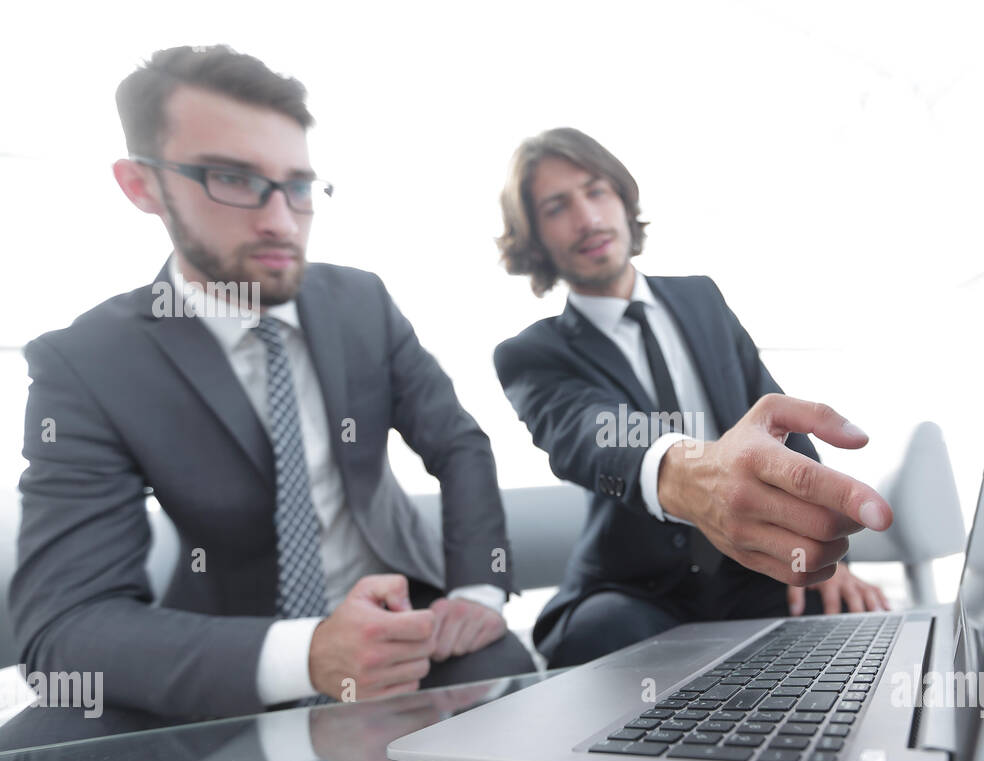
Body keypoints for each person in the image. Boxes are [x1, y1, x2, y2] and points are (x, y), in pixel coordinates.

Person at [9, 45, 532, 722]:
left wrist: (477, 589)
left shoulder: (360, 303)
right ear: (142, 186)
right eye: (232, 177)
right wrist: (311, 652)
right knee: (44, 746)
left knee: (511, 689)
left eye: (299, 185)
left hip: (412, 621)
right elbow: (64, 632)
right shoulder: (89, 363)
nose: (282, 221)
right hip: (238, 647)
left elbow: (458, 442)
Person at [494, 127, 893, 667]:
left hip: (749, 570)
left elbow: (773, 419)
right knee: (610, 639)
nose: (587, 218)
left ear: (622, 197)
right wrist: (692, 472)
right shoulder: (532, 353)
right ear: (535, 235)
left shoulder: (702, 298)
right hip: (631, 592)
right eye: (557, 206)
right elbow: (592, 432)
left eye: (595, 191)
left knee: (852, 625)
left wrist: (821, 557)